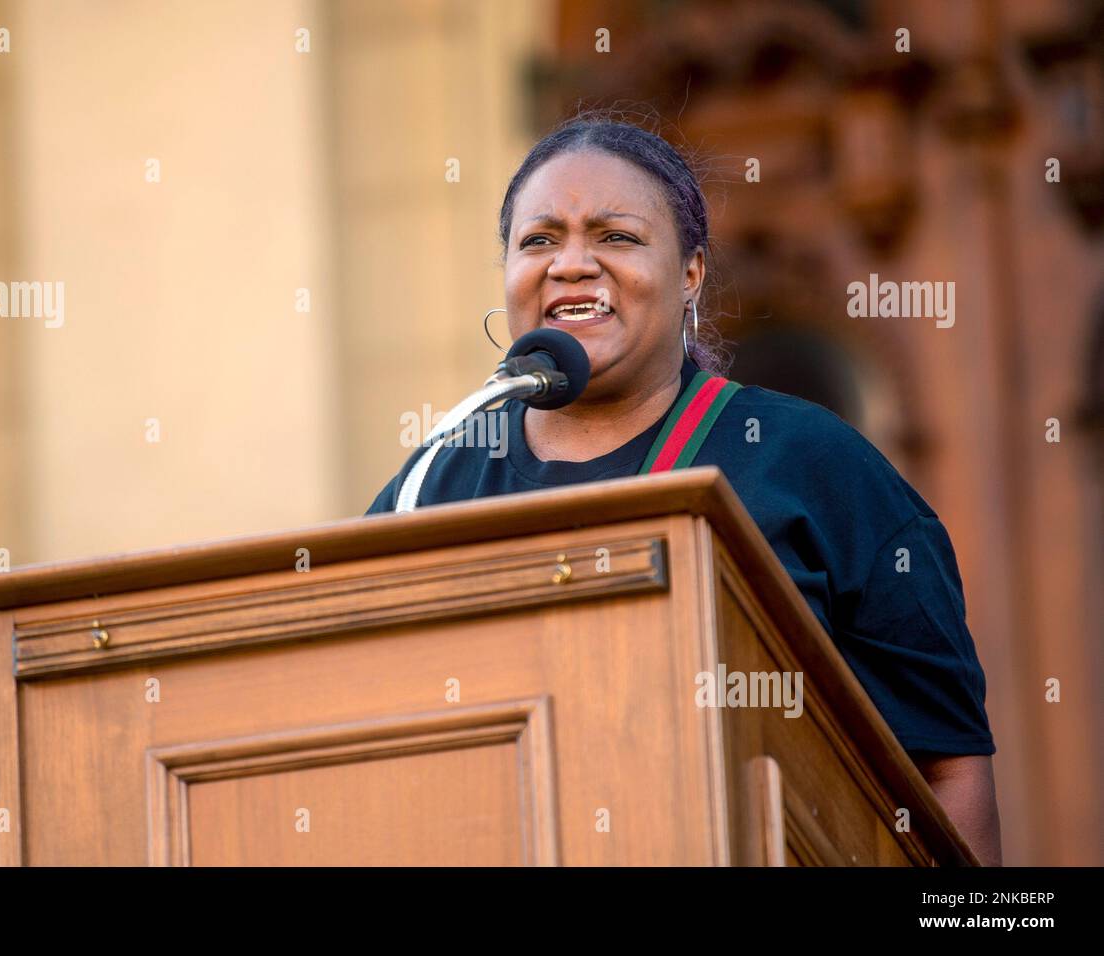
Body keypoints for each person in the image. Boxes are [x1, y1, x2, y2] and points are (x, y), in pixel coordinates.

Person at [366, 113, 1001, 865]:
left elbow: (946, 768)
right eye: (538, 239)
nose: (571, 263)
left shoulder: (811, 464)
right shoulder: (433, 481)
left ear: (691, 273)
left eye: (616, 236)